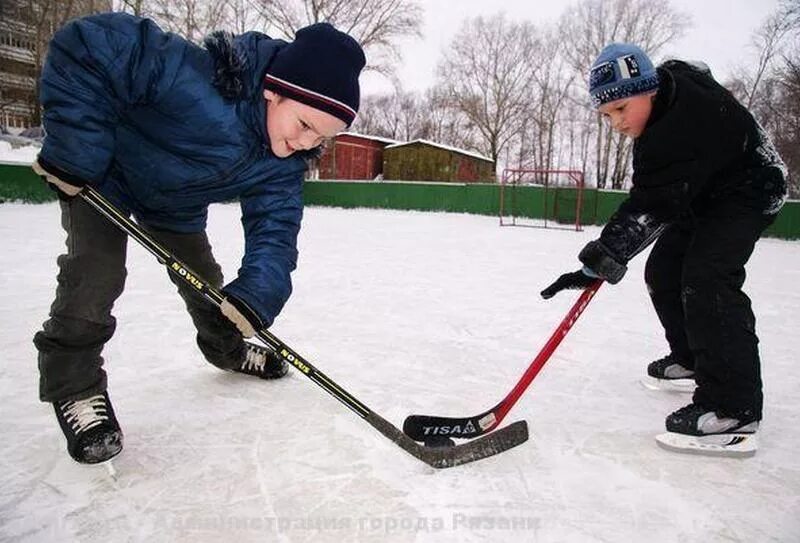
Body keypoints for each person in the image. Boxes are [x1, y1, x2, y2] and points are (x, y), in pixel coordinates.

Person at [31, 12, 365, 465]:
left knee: (208, 287)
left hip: (173, 208)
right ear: (274, 91)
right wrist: (76, 150)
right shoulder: (198, 79)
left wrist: (255, 297)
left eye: (321, 139)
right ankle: (75, 387)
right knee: (96, 275)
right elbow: (88, 44)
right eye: (305, 125)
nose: (306, 144)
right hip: (102, 176)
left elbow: (276, 231)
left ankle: (226, 350)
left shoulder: (282, 164)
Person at [541, 43, 787, 439]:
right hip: (704, 191)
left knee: (708, 278)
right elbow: (695, 66)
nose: (616, 123)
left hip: (751, 187)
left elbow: (649, 206)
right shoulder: (665, 97)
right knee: (663, 271)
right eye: (606, 115)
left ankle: (733, 407)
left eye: (621, 109)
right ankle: (692, 358)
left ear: (649, 88)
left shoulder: (678, 127)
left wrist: (599, 260)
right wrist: (600, 262)